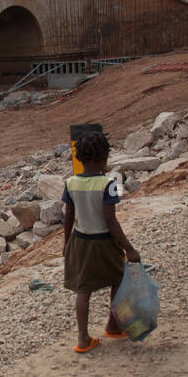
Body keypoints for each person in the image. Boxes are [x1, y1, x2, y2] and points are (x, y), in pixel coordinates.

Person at [61, 130, 141, 353]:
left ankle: (83, 339)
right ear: (105, 157)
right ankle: (113, 325)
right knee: (118, 278)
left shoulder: (70, 183)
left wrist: (66, 244)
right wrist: (129, 248)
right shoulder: (109, 184)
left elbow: (68, 216)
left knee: (83, 289)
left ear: (78, 157)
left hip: (80, 241)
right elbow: (110, 220)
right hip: (104, 242)